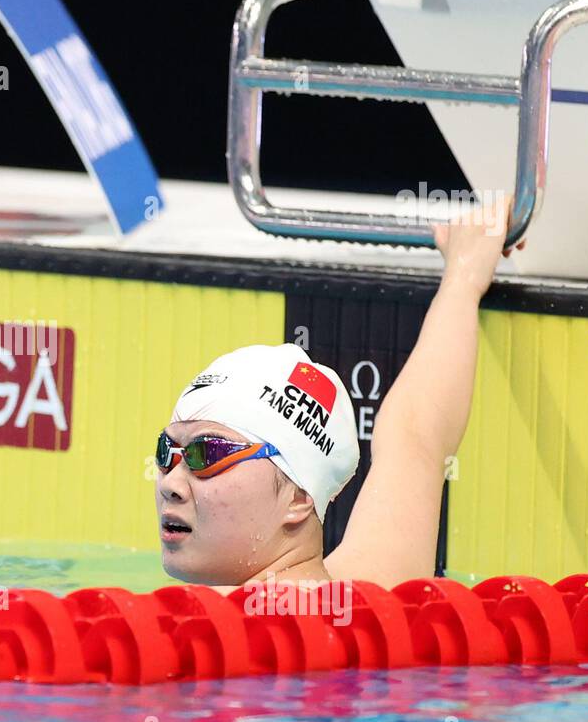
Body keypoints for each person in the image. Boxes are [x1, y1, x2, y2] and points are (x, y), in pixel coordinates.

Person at [155, 201, 524, 589]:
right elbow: (417, 437)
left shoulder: (215, 642)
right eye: (168, 452)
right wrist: (463, 277)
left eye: (206, 455)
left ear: (298, 497)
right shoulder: (377, 591)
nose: (170, 484)